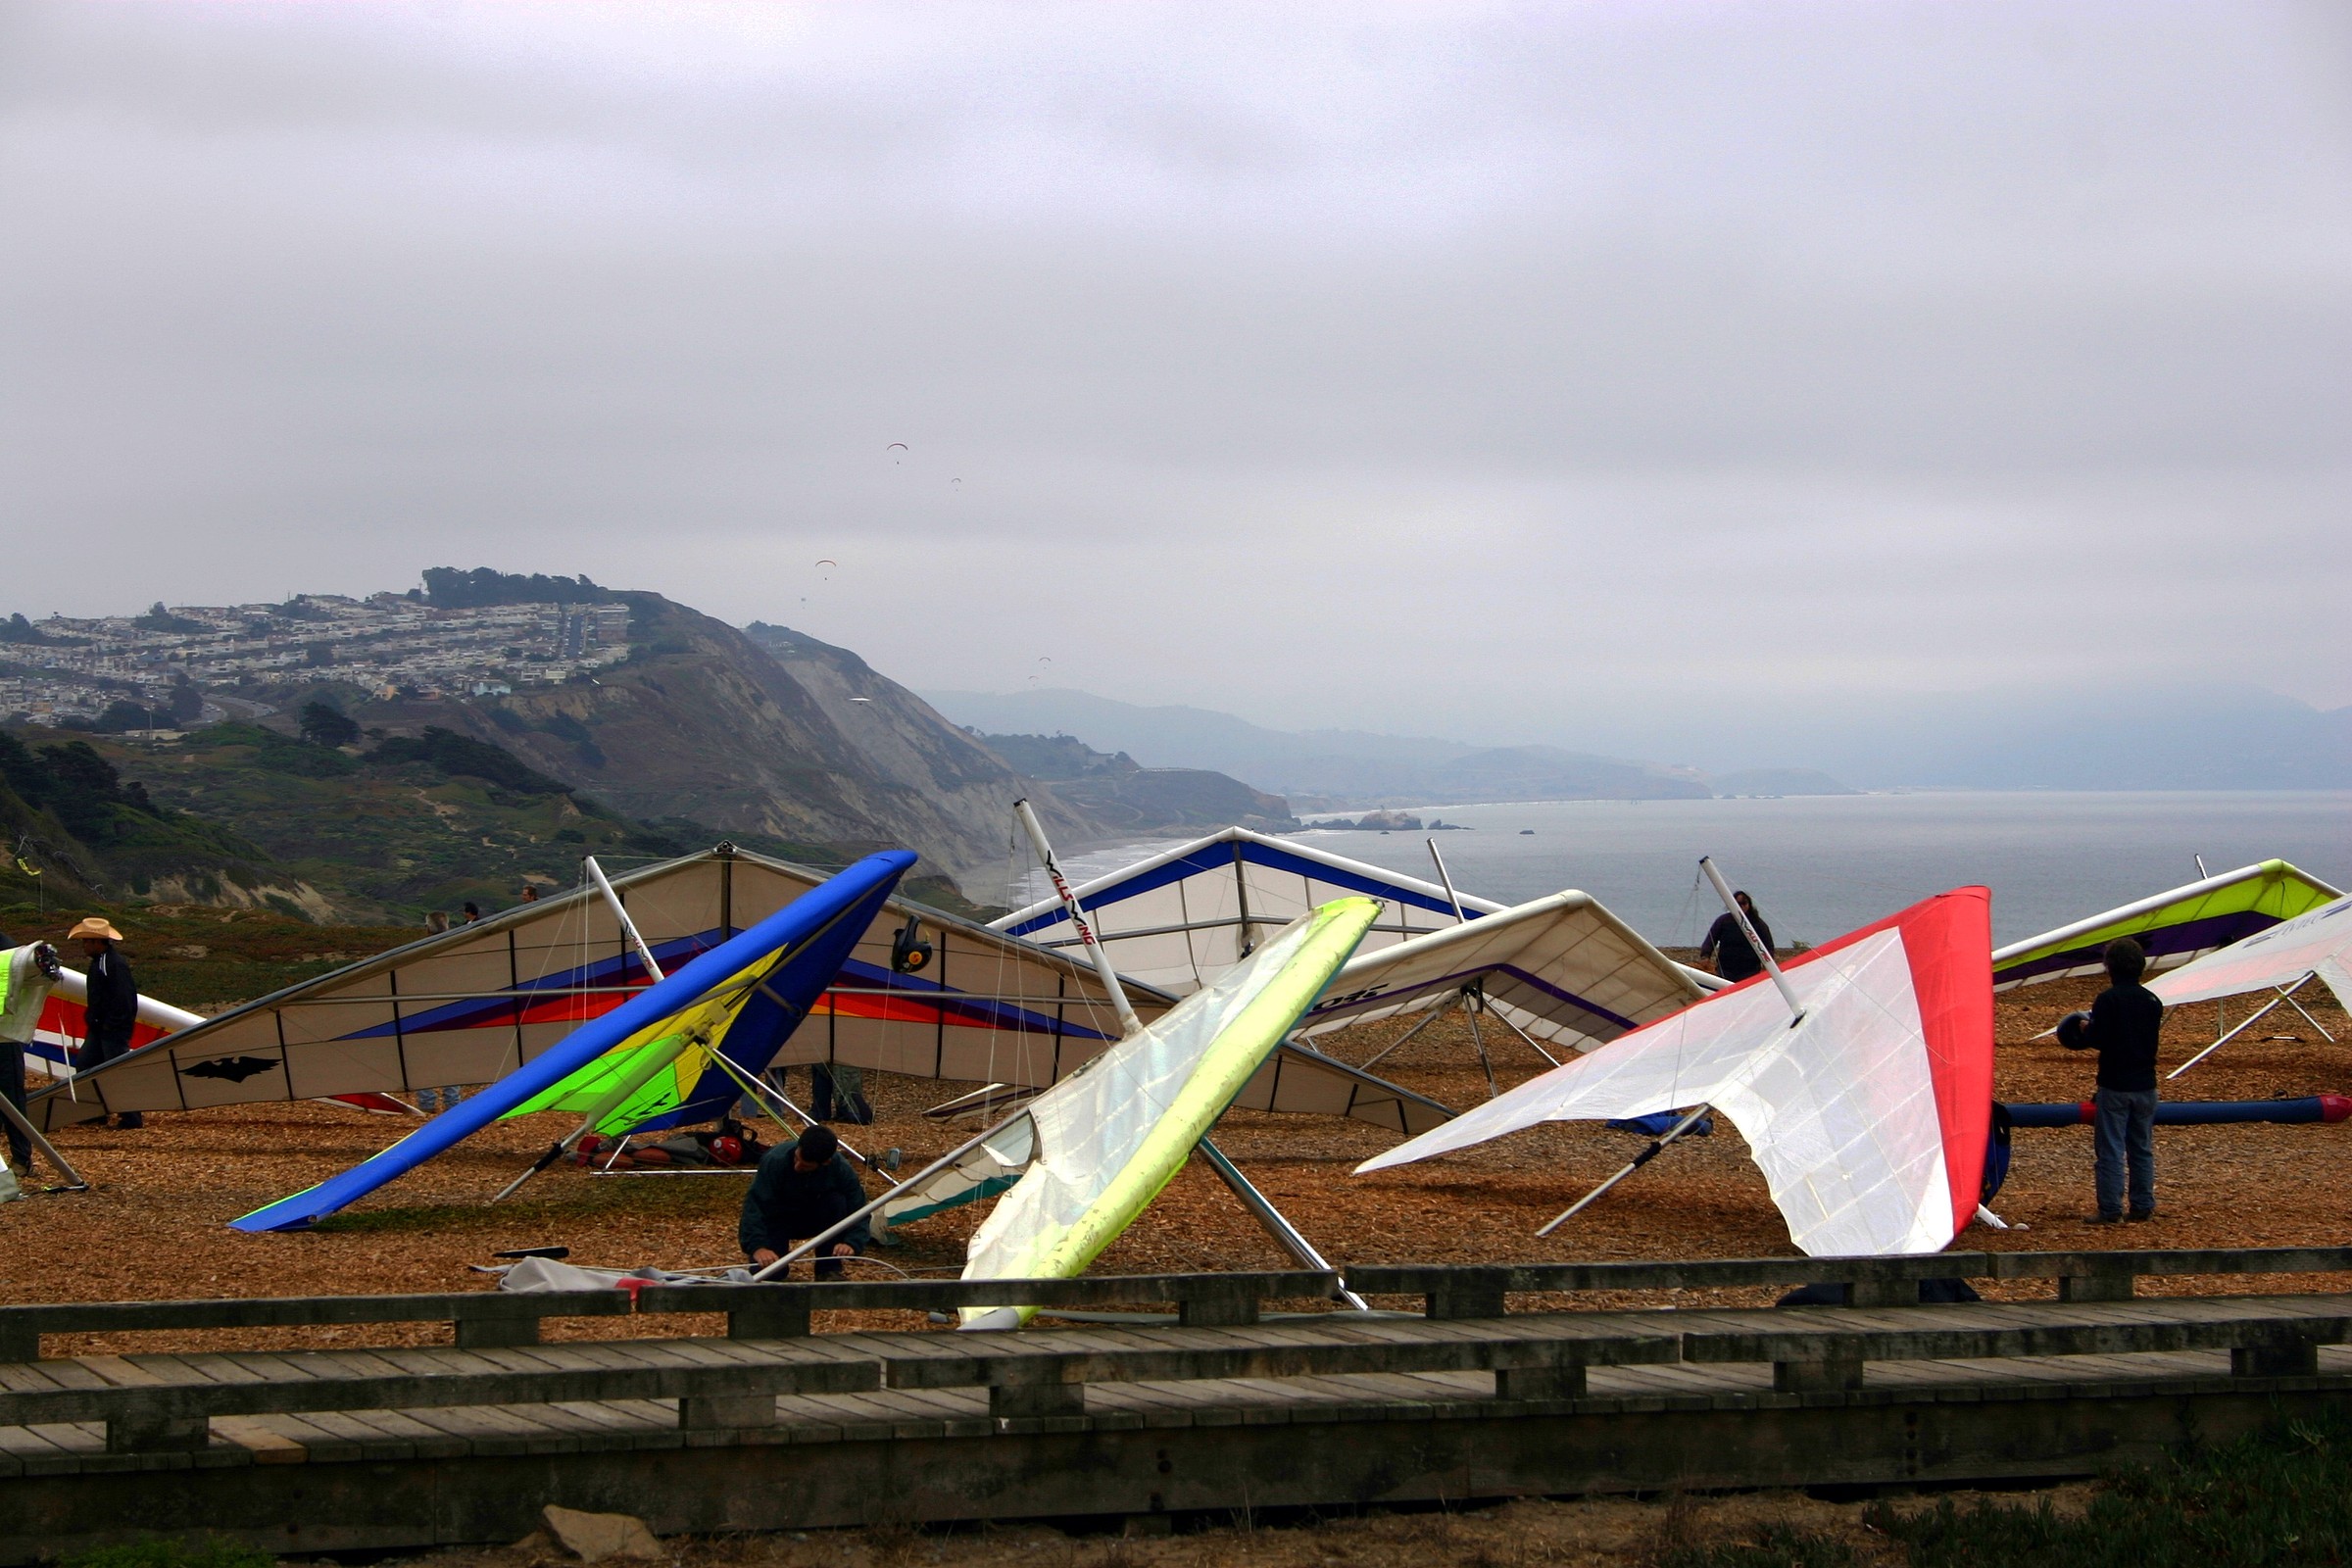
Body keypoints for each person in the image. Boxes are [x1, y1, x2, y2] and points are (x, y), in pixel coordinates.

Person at [2059, 937, 2163, 1223]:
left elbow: (2098, 1038)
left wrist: (2084, 1027)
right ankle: (2142, 1206)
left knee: (2111, 1150)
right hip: (2146, 1085)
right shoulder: (2153, 1001)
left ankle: (2110, 1210)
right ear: (2141, 966)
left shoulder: (2108, 999)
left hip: (2115, 1084)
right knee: (2141, 1148)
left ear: (2110, 967)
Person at [739, 1125, 868, 1279]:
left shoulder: (840, 1169)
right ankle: (772, 1266)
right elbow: (754, 1205)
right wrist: (757, 1247)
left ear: (826, 1162)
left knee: (836, 1202)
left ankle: (828, 1269)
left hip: (816, 1217)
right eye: (796, 1158)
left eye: (805, 1166)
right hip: (777, 1220)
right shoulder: (774, 1160)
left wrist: (852, 1242)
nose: (797, 1166)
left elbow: (859, 1207)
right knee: (770, 1275)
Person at [70, 917, 142, 1129]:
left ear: (97, 942)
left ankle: (132, 1117)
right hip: (100, 1028)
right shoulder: (99, 963)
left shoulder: (112, 964)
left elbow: (124, 998)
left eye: (86, 942)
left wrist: (113, 1025)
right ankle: (95, 1111)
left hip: (112, 1029)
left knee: (117, 1070)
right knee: (85, 1064)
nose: (84, 946)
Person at [0, 933, 63, 1175]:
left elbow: (25, 963)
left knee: (12, 1098)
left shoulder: (9, 950)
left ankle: (22, 1159)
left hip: (6, 1036)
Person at [1698, 892, 1775, 982]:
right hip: (1726, 969)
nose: (1741, 906)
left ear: (1748, 904)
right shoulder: (1723, 921)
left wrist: (1768, 965)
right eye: (1737, 904)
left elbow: (1768, 946)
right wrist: (1705, 956)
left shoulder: (1758, 924)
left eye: (1744, 903)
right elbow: (1711, 939)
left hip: (1750, 971)